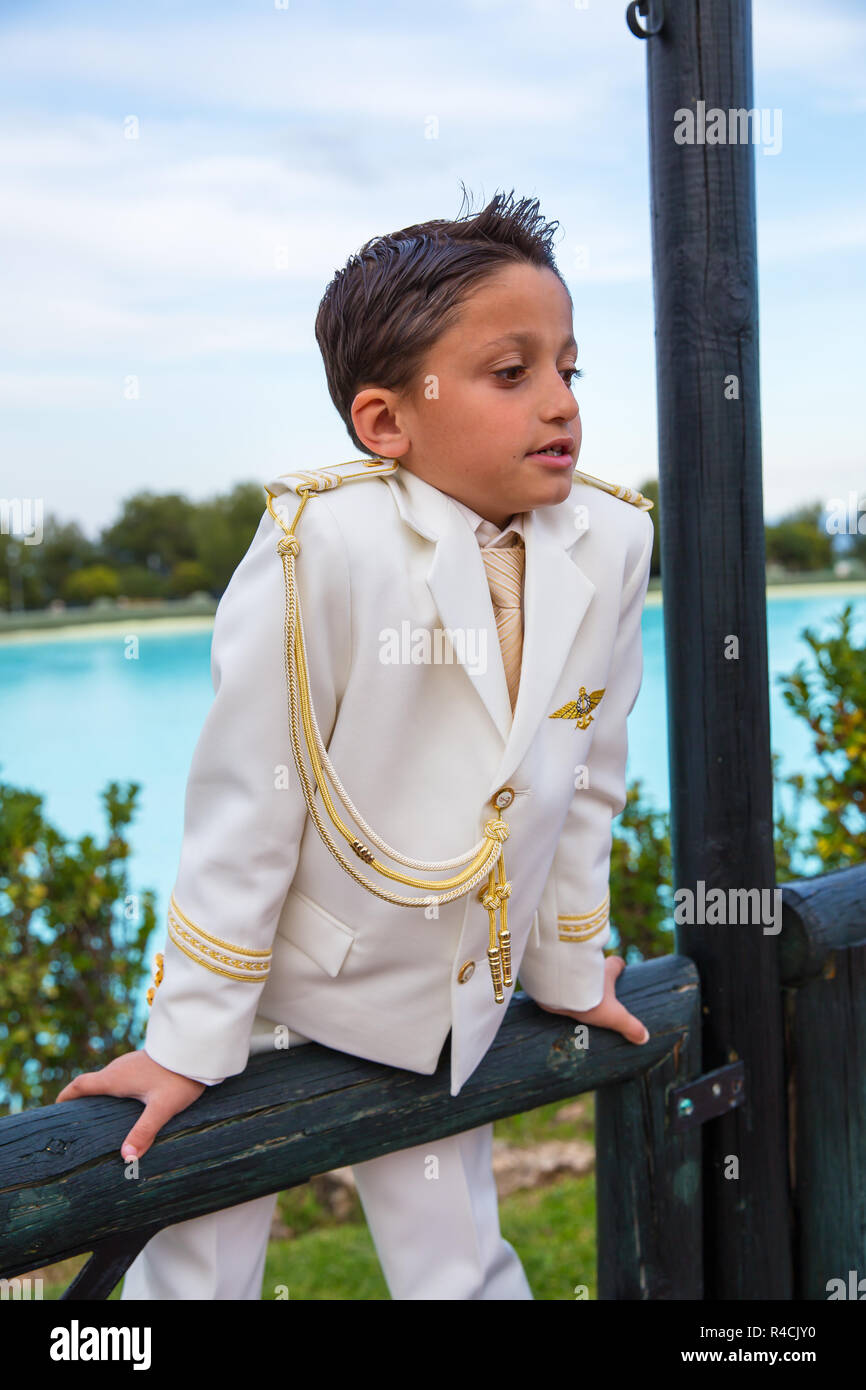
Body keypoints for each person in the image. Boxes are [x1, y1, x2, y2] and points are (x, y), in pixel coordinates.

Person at [57, 187, 654, 1300]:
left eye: (570, 369)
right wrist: (189, 1040)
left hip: (457, 998)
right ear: (386, 422)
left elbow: (586, 777)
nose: (560, 402)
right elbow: (249, 805)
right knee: (197, 1265)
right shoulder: (317, 543)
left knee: (461, 1268)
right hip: (282, 994)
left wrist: (569, 968)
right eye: (511, 372)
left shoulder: (613, 538)